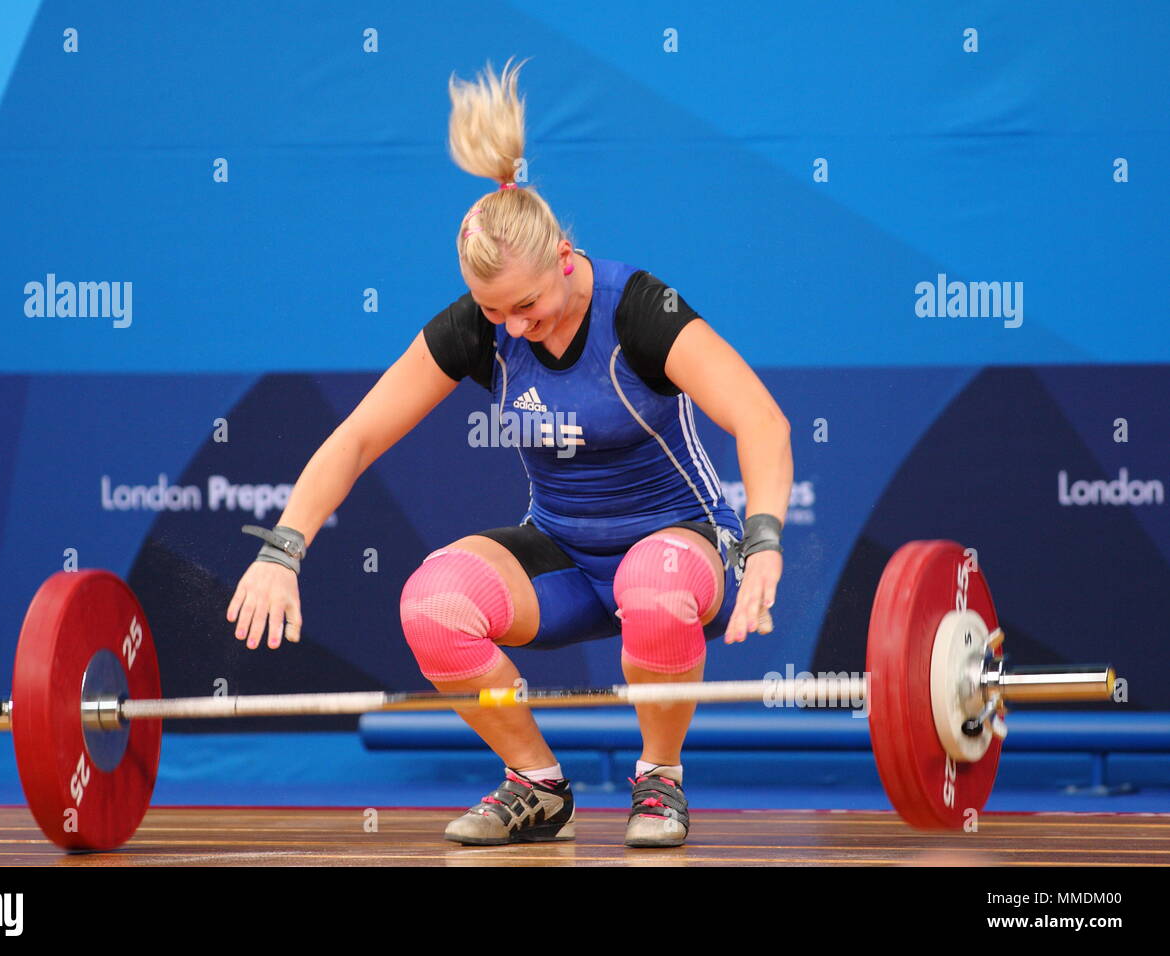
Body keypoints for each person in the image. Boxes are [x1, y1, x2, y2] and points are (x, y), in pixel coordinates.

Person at [226, 58, 792, 849]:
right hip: (565, 557)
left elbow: (762, 421)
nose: (513, 328)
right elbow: (356, 436)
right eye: (496, 312)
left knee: (651, 583)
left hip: (686, 554)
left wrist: (763, 541)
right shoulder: (480, 326)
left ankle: (660, 778)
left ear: (565, 254)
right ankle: (537, 782)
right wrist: (283, 550)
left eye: (526, 306)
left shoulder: (640, 310)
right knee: (433, 606)